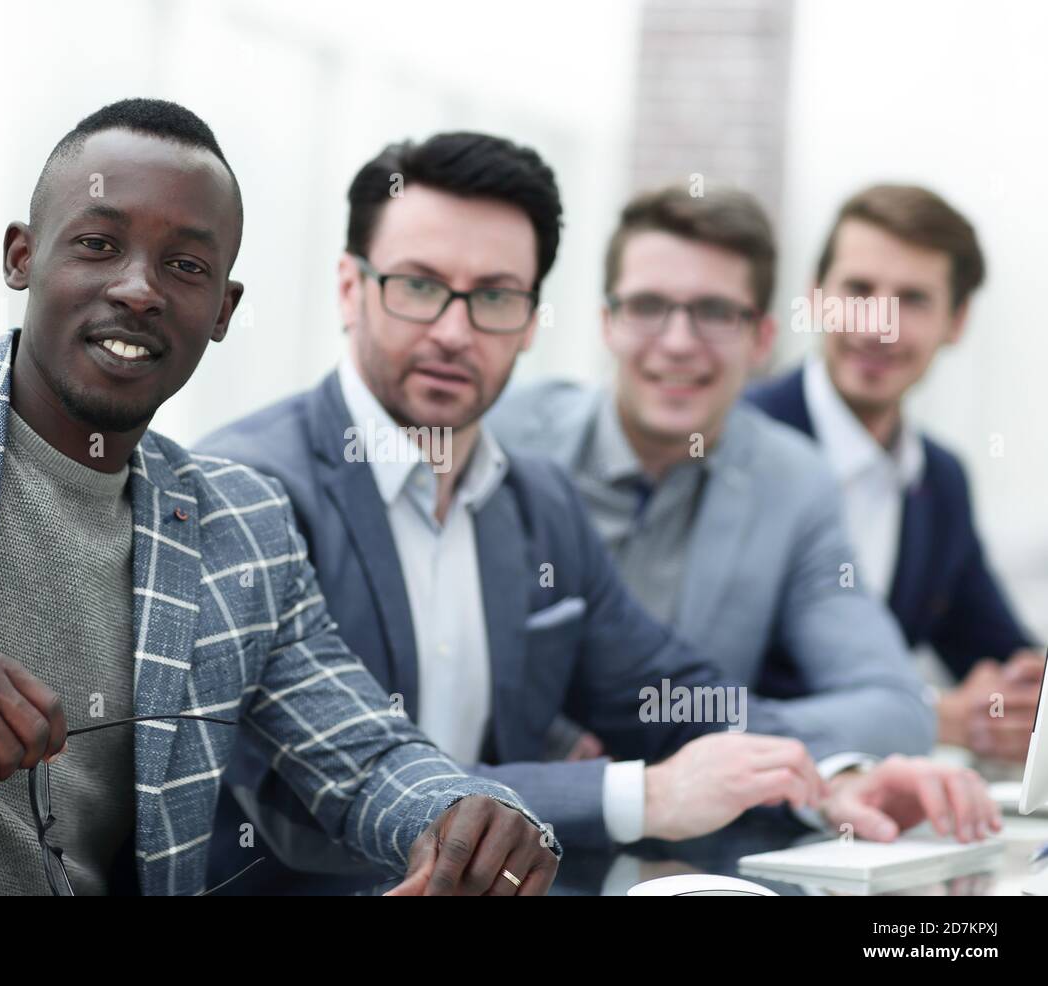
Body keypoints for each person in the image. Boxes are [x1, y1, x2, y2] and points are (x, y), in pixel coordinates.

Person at [0, 99, 560, 897]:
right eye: (99, 244)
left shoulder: (244, 528)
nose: (139, 289)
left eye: (186, 266)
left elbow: (365, 754)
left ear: (222, 311)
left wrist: (466, 814)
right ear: (22, 257)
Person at [200, 138, 993, 894]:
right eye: (417, 285)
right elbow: (308, 800)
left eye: (496, 297)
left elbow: (679, 698)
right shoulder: (252, 483)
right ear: (349, 287)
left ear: (533, 315)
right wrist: (639, 796)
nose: (454, 329)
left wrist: (832, 776)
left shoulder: (537, 501)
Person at [747, 184, 1043, 762]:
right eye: (859, 290)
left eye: (912, 300)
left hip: (871, 830)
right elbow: (705, 690)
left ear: (956, 321)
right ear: (815, 297)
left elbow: (996, 645)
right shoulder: (738, 443)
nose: (879, 326)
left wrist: (1026, 691)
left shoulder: (940, 479)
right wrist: (926, 715)